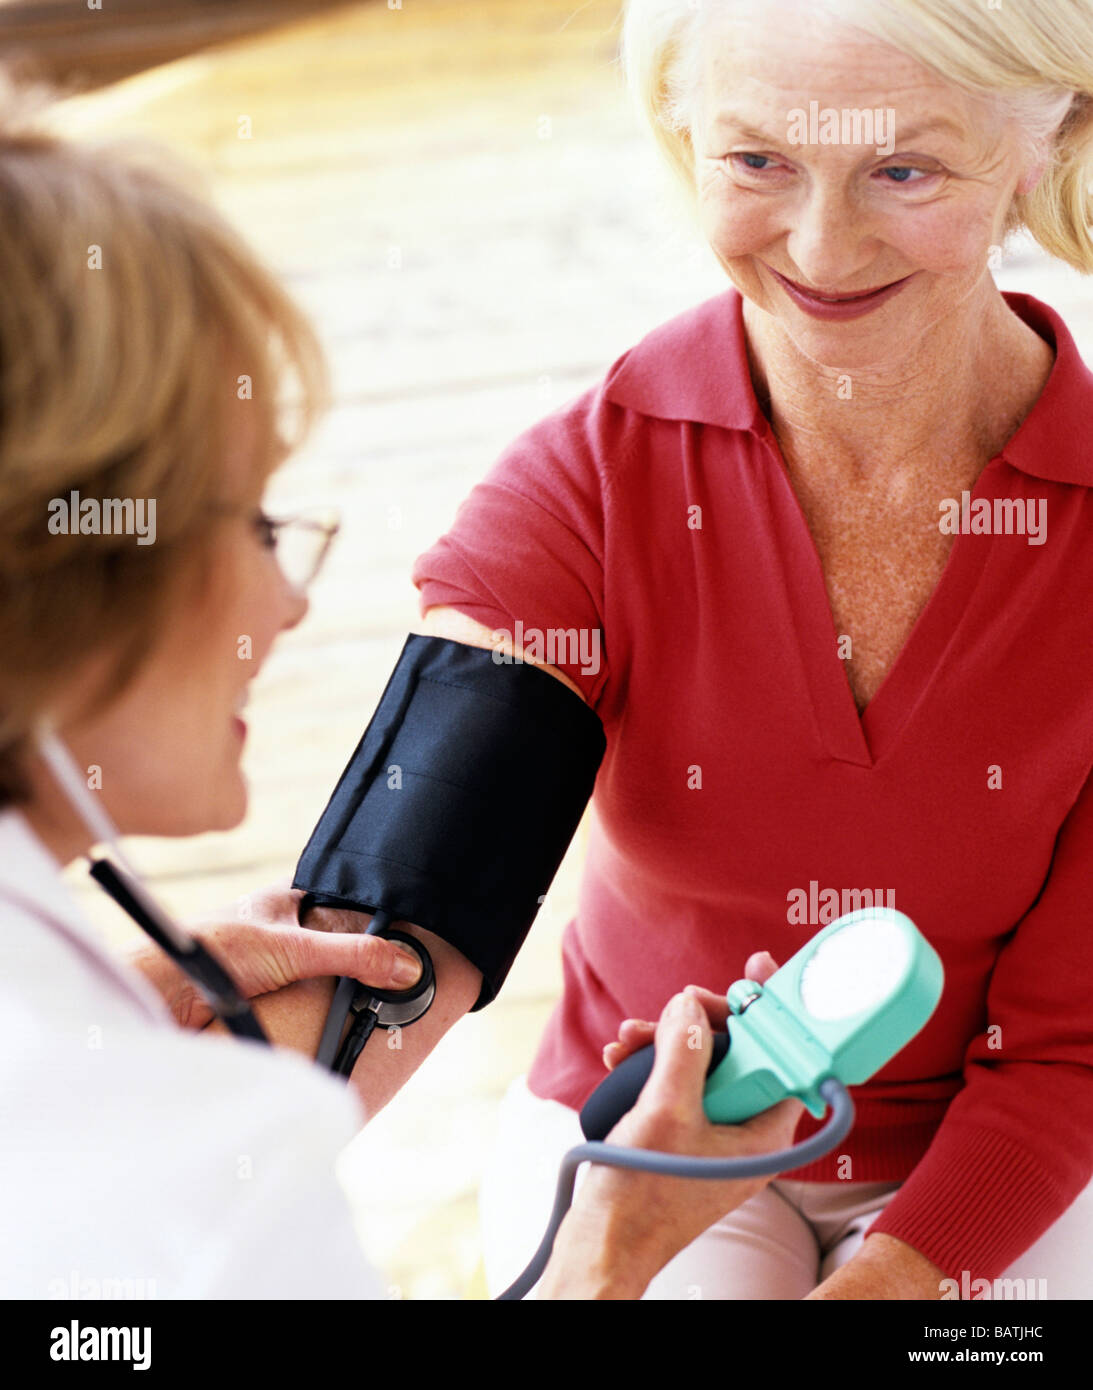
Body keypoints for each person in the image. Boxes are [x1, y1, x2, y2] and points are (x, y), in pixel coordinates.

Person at [270, 0, 1093, 1298]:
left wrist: (882, 1284)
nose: (822, 247)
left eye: (903, 168)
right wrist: (217, 1158)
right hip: (653, 1129)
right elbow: (405, 908)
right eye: (757, 161)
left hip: (995, 1149)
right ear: (682, 132)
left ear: (1043, 137)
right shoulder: (589, 483)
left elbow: (1067, 1057)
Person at [0, 69, 803, 1301]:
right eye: (254, 521)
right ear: (78, 561)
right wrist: (614, 1243)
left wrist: (111, 1025)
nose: (292, 601)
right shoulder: (180, 1187)